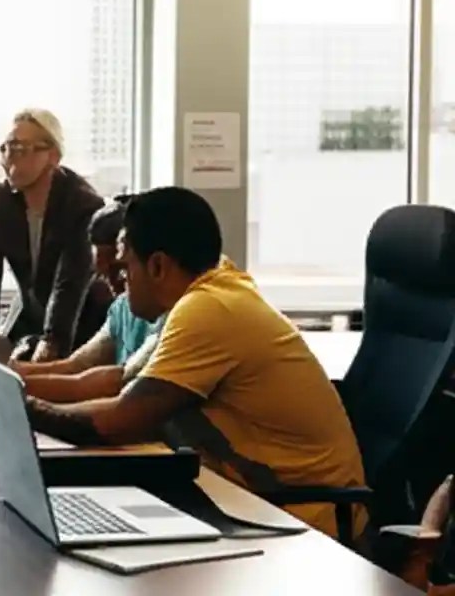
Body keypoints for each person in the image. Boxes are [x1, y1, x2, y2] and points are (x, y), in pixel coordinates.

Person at [18, 187, 366, 538]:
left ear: (157, 266)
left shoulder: (208, 309)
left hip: (305, 517)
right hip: (246, 498)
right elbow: (121, 383)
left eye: (125, 269)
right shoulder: (211, 290)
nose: (122, 284)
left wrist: (22, 409)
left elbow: (117, 421)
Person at [0, 108, 111, 371]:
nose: (9, 159)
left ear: (53, 155)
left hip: (83, 322)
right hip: (30, 316)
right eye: (5, 149)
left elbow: (70, 285)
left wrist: (52, 343)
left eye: (20, 149)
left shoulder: (83, 204)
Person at [7, 198, 166, 404]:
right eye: (102, 274)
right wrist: (10, 372)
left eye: (120, 270)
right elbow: (76, 365)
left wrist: (13, 386)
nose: (114, 284)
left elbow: (116, 381)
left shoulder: (173, 315)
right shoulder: (120, 307)